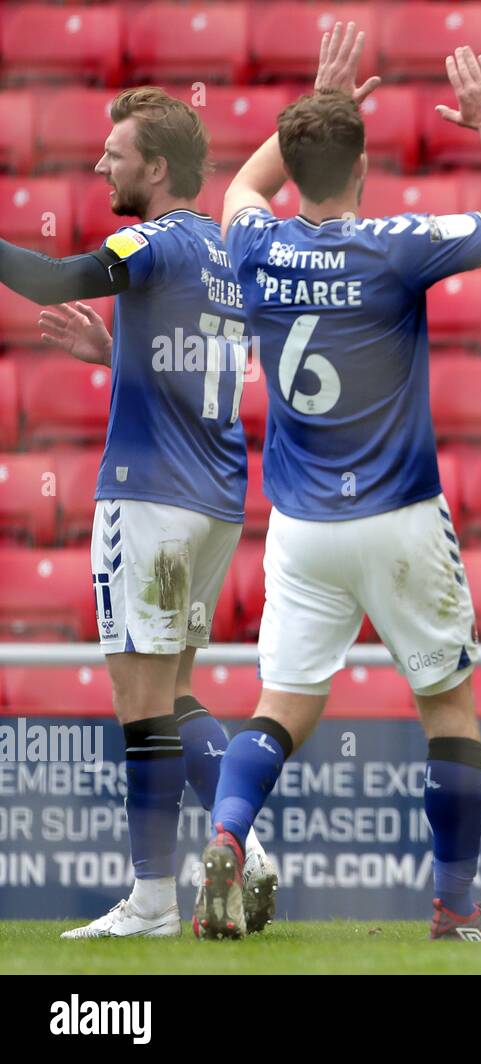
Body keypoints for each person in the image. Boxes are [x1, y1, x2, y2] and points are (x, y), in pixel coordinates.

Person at [194, 24, 481, 943]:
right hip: (399, 516)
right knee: (449, 707)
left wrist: (317, 102)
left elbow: (238, 186)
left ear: (299, 164)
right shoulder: (394, 244)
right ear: (367, 160)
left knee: (282, 708)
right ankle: (457, 911)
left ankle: (228, 832)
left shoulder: (255, 246)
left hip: (300, 525)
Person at [0, 86, 275, 938]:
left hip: (148, 498)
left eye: (114, 154)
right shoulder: (224, 252)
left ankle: (153, 900)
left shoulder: (151, 241)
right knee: (178, 691)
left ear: (156, 169)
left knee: (141, 703)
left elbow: (51, 275)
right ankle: (244, 844)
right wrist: (114, 351)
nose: (99, 165)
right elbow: (193, 367)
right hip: (218, 501)